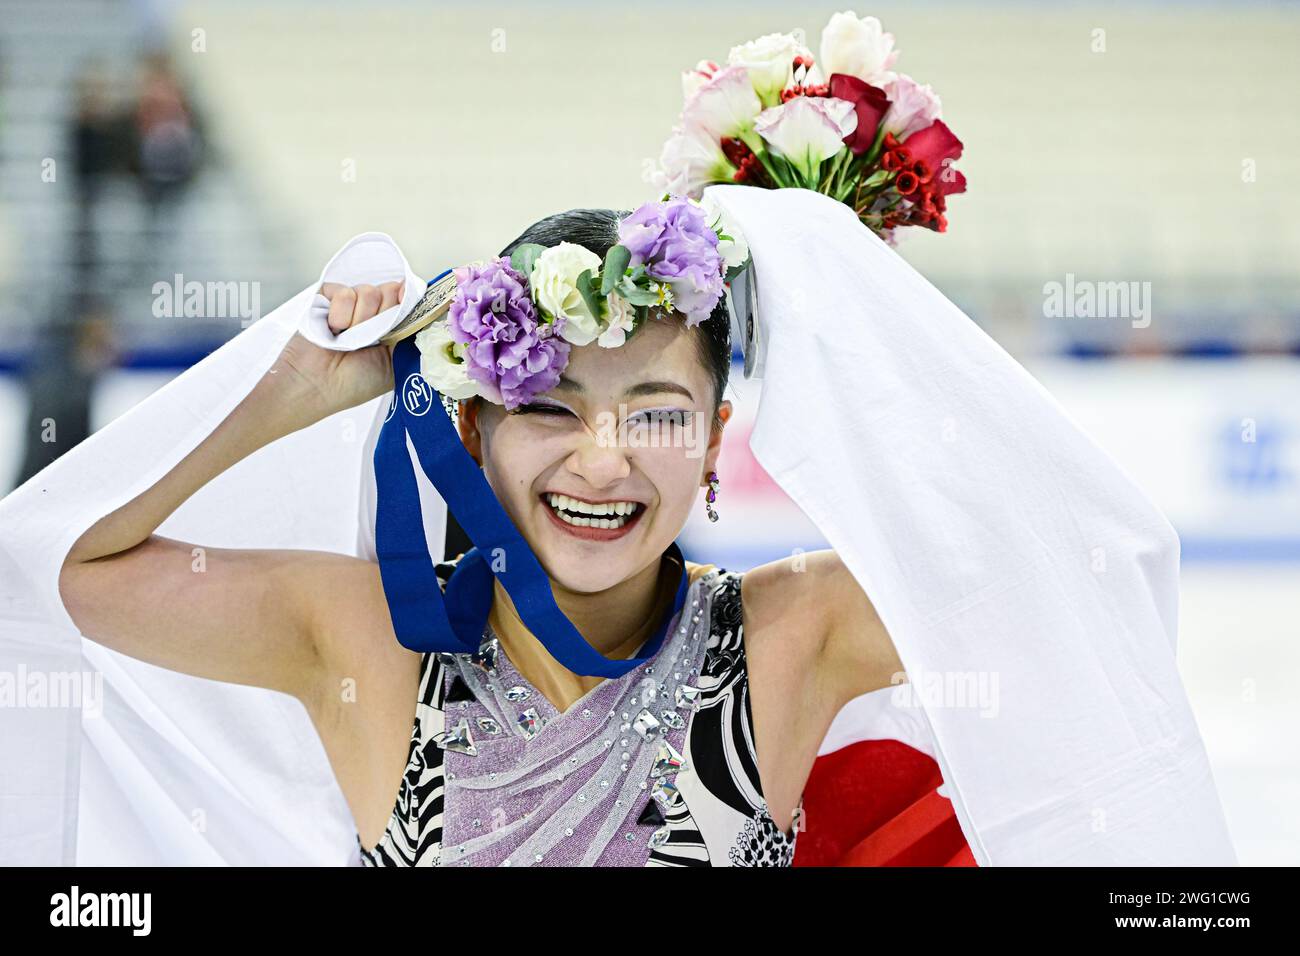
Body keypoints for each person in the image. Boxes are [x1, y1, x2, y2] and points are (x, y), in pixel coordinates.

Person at [54, 206, 902, 867]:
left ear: (713, 442)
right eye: (549, 407)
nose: (603, 462)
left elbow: (988, 560)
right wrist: (300, 385)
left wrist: (858, 302)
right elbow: (70, 568)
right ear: (470, 429)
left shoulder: (798, 633)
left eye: (655, 415)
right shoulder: (375, 644)